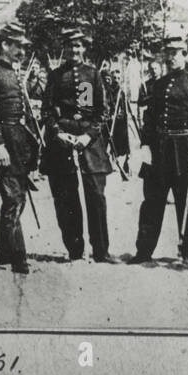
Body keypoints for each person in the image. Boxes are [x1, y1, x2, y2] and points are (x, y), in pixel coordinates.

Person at [131, 36, 188, 267]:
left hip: (183, 149)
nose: (172, 57)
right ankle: (144, 251)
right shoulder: (158, 85)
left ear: (185, 56)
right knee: (152, 201)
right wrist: (145, 145)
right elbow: (149, 119)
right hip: (158, 149)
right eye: (169, 53)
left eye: (177, 52)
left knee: (186, 204)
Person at [43, 29, 115, 263]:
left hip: (90, 144)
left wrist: (88, 136)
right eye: (71, 46)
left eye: (79, 46)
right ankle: (75, 251)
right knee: (66, 199)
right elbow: (47, 110)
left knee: (96, 197)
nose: (75, 50)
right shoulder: (55, 76)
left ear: (84, 48)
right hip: (62, 144)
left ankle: (101, 251)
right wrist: (58, 133)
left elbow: (102, 112)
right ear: (65, 48)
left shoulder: (93, 75)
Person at [0, 24, 38, 274]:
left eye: (25, 48)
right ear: (5, 45)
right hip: (4, 145)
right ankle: (18, 259)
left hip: (19, 145)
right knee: (13, 199)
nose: (23, 52)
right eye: (19, 47)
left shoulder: (12, 73)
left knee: (17, 199)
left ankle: (4, 252)